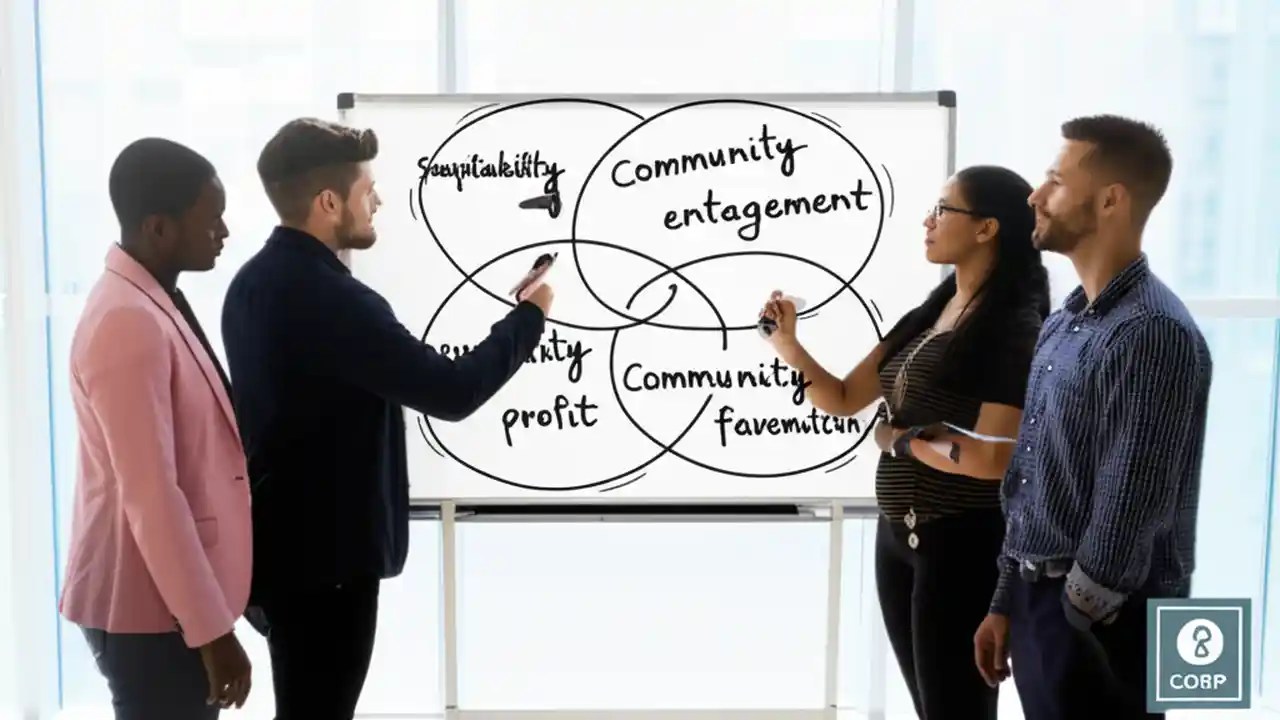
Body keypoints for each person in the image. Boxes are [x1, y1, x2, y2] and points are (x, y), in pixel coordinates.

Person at [220, 118, 552, 719]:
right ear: (327, 201)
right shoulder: (336, 301)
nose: (377, 200)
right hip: (330, 563)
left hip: (281, 551)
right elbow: (452, 392)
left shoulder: (250, 285)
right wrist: (528, 319)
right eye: (367, 188)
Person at [761, 165, 1049, 719]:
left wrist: (903, 442)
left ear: (987, 228)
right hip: (898, 538)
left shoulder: (1013, 327)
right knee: (930, 708)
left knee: (956, 710)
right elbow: (845, 396)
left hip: (961, 544)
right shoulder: (930, 313)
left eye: (943, 210)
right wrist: (789, 346)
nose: (928, 220)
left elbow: (994, 458)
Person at [972, 115, 1212, 719]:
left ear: (1111, 200)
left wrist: (1073, 610)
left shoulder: (1153, 330)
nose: (1034, 195)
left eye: (1054, 179)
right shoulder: (1067, 321)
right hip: (1045, 603)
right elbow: (1032, 474)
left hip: (1110, 621)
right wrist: (1009, 598)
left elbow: (1134, 493)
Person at [59, 137, 253, 718]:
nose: (224, 232)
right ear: (159, 228)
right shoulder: (128, 319)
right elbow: (150, 494)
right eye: (211, 218)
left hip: (163, 605)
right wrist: (211, 631)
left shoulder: (152, 300)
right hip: (150, 609)